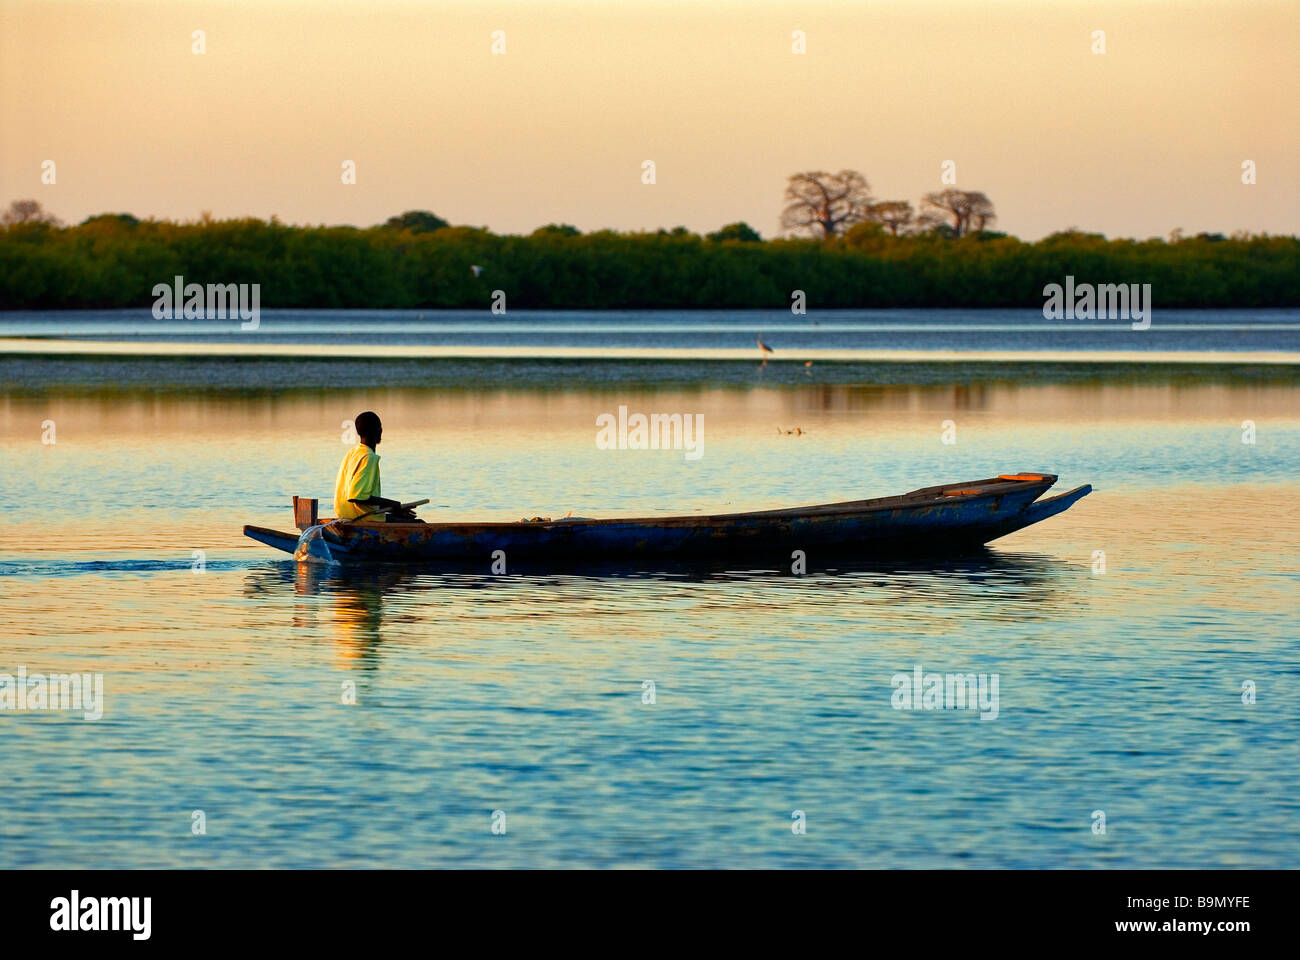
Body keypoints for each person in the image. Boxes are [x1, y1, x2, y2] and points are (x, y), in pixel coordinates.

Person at [334, 411, 385, 521]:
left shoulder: (352, 453)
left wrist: (394, 508)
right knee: (417, 523)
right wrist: (395, 505)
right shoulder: (368, 457)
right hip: (362, 519)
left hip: (345, 516)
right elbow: (357, 496)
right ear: (378, 431)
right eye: (380, 427)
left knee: (400, 516)